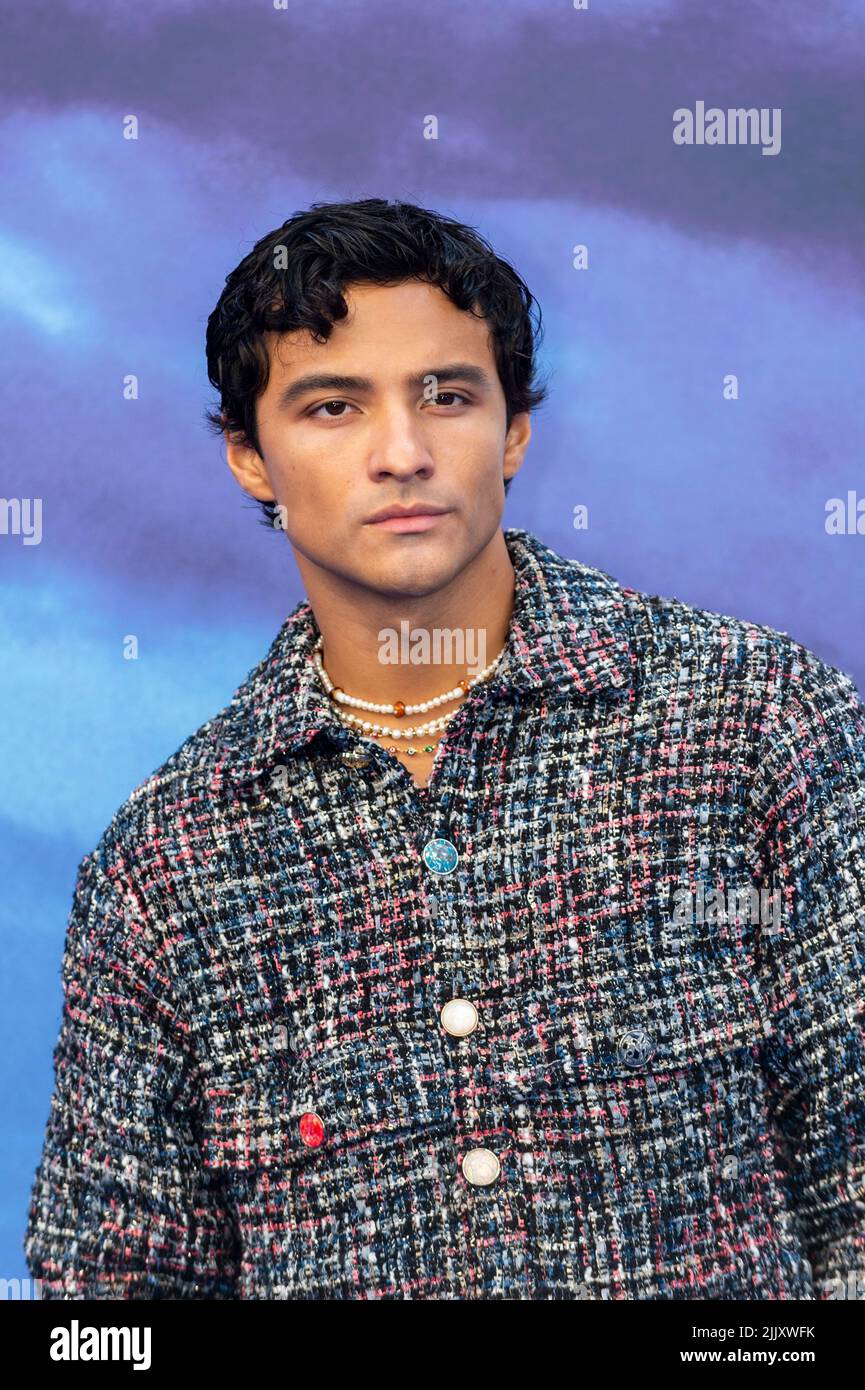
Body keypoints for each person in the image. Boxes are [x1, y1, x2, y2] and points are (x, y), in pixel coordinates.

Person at [24, 198, 865, 1300]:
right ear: (250, 459)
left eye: (448, 397)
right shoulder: (166, 865)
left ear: (512, 430)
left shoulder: (753, 721)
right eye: (332, 407)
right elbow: (113, 1300)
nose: (402, 453)